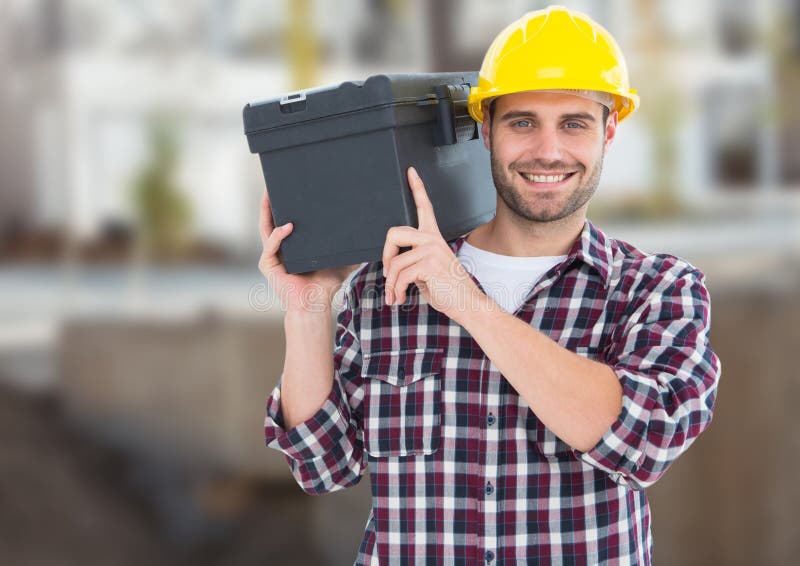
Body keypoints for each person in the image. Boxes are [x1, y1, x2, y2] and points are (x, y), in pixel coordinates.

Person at [258, 6, 720, 565]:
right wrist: (308, 311)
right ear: (485, 131)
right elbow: (322, 466)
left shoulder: (657, 290)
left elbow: (643, 440)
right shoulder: (390, 283)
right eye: (522, 122)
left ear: (610, 131)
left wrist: (466, 301)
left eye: (574, 122)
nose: (548, 150)